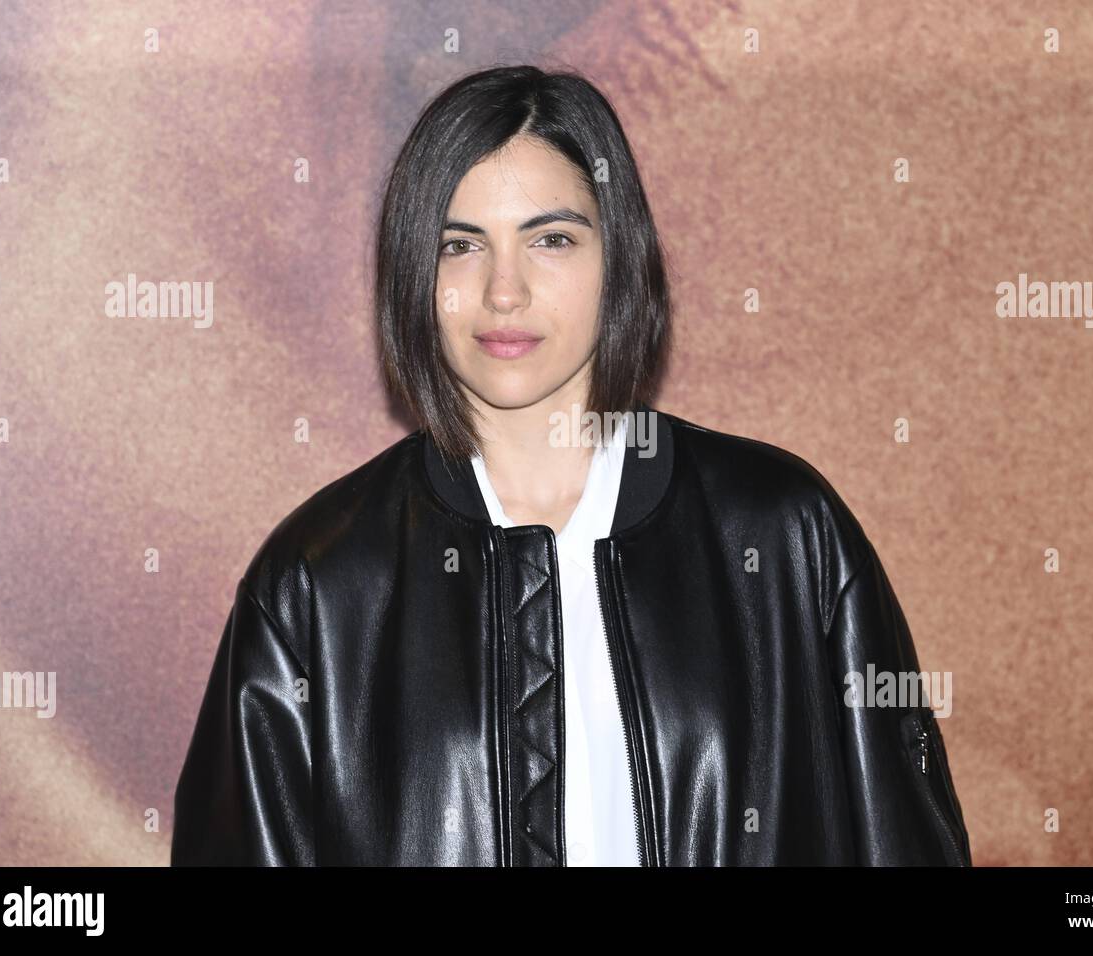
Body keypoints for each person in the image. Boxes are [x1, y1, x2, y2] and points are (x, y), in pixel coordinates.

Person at [170, 64, 971, 867]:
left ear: (619, 256)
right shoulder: (318, 581)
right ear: (415, 277)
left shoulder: (785, 531)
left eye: (551, 239)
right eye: (460, 245)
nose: (504, 291)